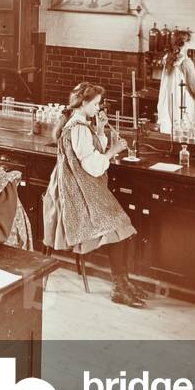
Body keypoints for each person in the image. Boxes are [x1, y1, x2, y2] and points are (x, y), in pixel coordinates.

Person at [43, 82, 148, 308]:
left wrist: (100, 130)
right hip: (78, 194)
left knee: (123, 228)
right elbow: (92, 166)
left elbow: (91, 151)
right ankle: (120, 286)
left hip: (82, 188)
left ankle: (123, 283)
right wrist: (114, 151)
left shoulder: (80, 124)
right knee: (121, 227)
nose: (99, 109)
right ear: (84, 103)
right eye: (96, 104)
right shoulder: (78, 127)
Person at [156, 30, 195, 135]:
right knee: (184, 130)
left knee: (171, 131)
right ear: (186, 44)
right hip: (183, 101)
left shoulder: (167, 59)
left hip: (169, 101)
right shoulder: (185, 62)